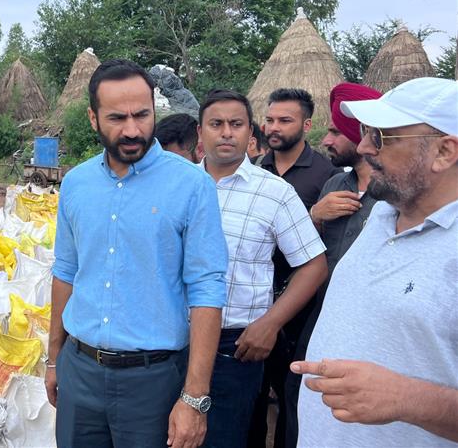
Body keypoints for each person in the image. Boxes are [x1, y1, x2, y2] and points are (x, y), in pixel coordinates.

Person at [47, 59, 229, 448]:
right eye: (117, 118)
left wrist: (194, 399)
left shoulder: (192, 185)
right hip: (79, 372)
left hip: (154, 380)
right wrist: (53, 358)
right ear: (93, 119)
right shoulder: (76, 184)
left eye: (142, 115)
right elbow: (66, 271)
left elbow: (207, 291)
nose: (132, 130)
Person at [293, 77, 458, 446]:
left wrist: (408, 399)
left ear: (444, 152)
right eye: (367, 132)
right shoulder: (383, 214)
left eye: (382, 137)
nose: (364, 146)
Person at [197, 89, 327, 448]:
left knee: (222, 439)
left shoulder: (275, 193)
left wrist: (270, 324)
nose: (226, 132)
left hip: (234, 347)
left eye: (236, 124)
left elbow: (314, 264)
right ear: (200, 133)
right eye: (216, 124)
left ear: (249, 134)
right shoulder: (178, 186)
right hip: (172, 340)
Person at [282, 83, 382, 447]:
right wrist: (313, 216)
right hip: (320, 311)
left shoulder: (392, 195)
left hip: (371, 319)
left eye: (338, 132)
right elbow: (304, 251)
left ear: (363, 135)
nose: (327, 140)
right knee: (301, 392)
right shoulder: (335, 183)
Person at [250, 88, 340, 448]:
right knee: (253, 397)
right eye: (269, 120)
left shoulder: (327, 176)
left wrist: (313, 217)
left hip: (303, 306)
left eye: (284, 121)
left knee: (295, 396)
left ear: (306, 124)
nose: (274, 127)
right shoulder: (256, 171)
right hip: (256, 299)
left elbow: (330, 244)